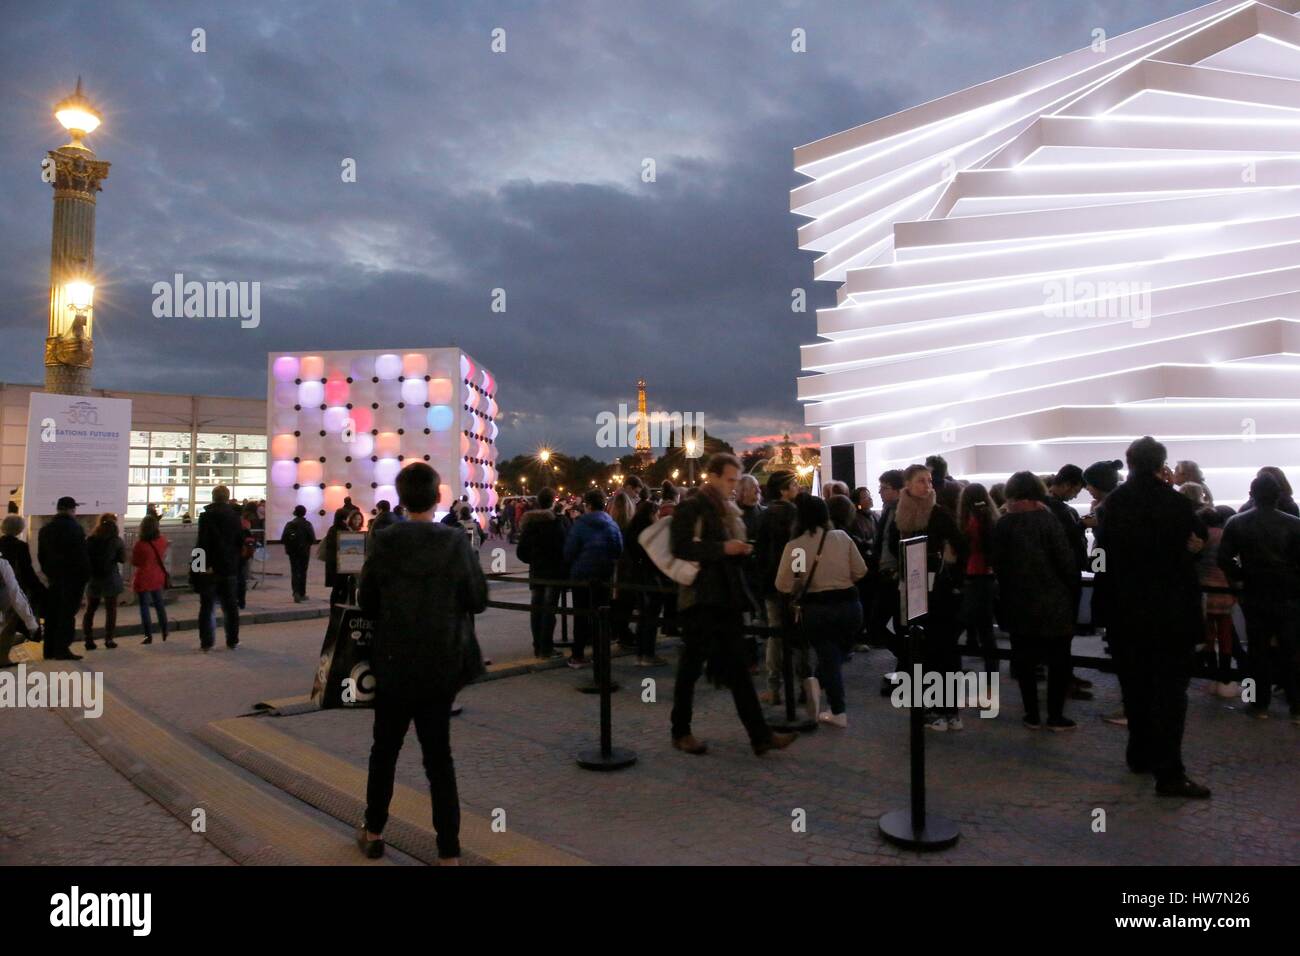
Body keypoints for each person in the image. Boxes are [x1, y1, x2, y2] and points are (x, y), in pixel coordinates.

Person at [357, 462, 487, 864]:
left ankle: (374, 831)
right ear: (436, 498)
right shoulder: (455, 542)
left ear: (401, 497)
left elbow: (367, 601)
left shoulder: (384, 540)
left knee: (385, 750)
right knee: (438, 758)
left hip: (393, 662)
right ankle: (448, 851)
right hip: (440, 663)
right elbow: (478, 599)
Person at [1096, 436, 1210, 798]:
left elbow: (1100, 558)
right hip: (1170, 612)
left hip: (1126, 612)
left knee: (1135, 686)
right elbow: (1191, 547)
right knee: (1171, 693)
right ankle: (1170, 772)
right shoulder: (1175, 503)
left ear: (1129, 463)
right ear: (1161, 463)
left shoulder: (1113, 504)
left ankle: (1139, 752)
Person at [669, 453, 796, 756]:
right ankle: (681, 730)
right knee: (691, 667)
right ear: (711, 476)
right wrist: (725, 547)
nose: (734, 486)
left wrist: (739, 551)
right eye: (729, 480)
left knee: (736, 669)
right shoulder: (692, 506)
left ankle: (759, 735)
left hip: (724, 598)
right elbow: (680, 546)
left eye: (737, 480)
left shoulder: (727, 509)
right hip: (701, 599)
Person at [993, 472, 1078, 730]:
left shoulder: (1004, 524)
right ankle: (1055, 715)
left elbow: (998, 564)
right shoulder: (1048, 521)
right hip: (1054, 602)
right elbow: (1065, 562)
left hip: (1018, 602)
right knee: (1058, 661)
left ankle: (1031, 714)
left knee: (1025, 662)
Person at [890, 464, 968, 731]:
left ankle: (949, 709)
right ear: (908, 485)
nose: (927, 486)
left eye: (930, 481)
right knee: (921, 649)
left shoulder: (938, 513)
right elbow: (893, 548)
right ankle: (930, 707)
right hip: (913, 591)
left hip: (940, 592)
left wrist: (954, 575)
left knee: (943, 648)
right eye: (921, 481)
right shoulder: (899, 515)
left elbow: (960, 543)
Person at [1217, 474, 1300, 723]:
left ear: (1252, 494)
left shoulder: (1237, 522)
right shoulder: (1294, 524)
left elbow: (1225, 558)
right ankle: (1297, 707)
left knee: (1257, 651)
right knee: (1292, 651)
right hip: (1288, 595)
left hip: (1254, 593)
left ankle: (1258, 703)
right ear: (1278, 496)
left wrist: (1240, 578)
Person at [778, 493, 866, 727]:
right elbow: (860, 570)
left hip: (818, 610)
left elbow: (786, 584)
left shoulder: (796, 547)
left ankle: (838, 710)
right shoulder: (841, 537)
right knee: (834, 655)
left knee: (829, 657)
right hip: (850, 607)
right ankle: (817, 684)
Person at [754, 470, 802, 705]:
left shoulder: (765, 516)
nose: (798, 487)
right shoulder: (797, 515)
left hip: (773, 583)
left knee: (775, 635)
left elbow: (760, 553)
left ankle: (774, 688)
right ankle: (804, 685)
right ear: (783, 490)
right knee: (800, 634)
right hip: (796, 583)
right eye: (794, 484)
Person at [563, 489, 623, 668]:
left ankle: (578, 655)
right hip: (604, 575)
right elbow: (618, 549)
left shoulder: (580, 524)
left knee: (581, 616)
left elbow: (569, 551)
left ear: (588, 506)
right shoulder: (611, 524)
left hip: (581, 575)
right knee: (601, 616)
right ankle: (600, 654)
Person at [517, 487, 567, 659]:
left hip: (537, 571)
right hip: (554, 572)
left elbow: (521, 551)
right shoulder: (557, 524)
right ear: (553, 501)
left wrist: (533, 559)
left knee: (536, 609)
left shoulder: (530, 524)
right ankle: (546, 646)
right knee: (549, 610)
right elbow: (564, 547)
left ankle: (538, 645)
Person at [37, 496, 89, 661]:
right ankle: (62, 649)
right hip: (72, 579)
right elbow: (81, 557)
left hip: (54, 578)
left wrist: (50, 573)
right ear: (72, 509)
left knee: (52, 613)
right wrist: (84, 578)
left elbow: (41, 556)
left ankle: (49, 649)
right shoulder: (76, 529)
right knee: (67, 614)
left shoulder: (46, 529)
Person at [1197, 505, 1240, 699]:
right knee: (1225, 635)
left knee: (1209, 635)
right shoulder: (1224, 536)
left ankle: (1212, 676)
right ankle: (1225, 678)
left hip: (1204, 591)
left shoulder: (1199, 537)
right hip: (1224, 590)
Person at [958, 482, 1000, 674]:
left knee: (964, 623)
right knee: (987, 631)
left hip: (971, 575)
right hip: (987, 575)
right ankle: (992, 673)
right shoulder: (991, 518)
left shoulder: (967, 520)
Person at [195, 484, 243, 651]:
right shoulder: (235, 517)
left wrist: (198, 568)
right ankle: (232, 640)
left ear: (213, 497)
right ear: (227, 497)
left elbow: (201, 545)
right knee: (230, 606)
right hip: (229, 567)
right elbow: (239, 543)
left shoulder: (206, 517)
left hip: (209, 568)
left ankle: (207, 642)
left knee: (207, 606)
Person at [869, 470, 905, 681]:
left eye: (885, 488)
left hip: (896, 575)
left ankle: (905, 664)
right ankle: (906, 658)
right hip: (885, 574)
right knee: (877, 625)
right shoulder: (887, 510)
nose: (880, 492)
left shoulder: (903, 511)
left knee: (895, 626)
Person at [83, 513, 126, 651]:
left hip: (94, 578)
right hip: (110, 578)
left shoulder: (90, 540)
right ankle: (109, 638)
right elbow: (123, 559)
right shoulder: (116, 541)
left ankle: (88, 639)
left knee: (90, 609)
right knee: (111, 610)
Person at [0, 515, 46, 640]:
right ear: (19, 529)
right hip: (15, 587)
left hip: (4, 588)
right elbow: (27, 570)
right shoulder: (20, 546)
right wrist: (39, 588)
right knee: (12, 622)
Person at [131, 514, 170, 644]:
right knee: (159, 604)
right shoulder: (162, 540)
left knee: (144, 606)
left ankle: (148, 635)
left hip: (143, 577)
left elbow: (135, 562)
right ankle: (164, 629)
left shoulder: (140, 544)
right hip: (158, 575)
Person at [0, 552, 41, 668]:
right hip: (6, 600)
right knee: (13, 614)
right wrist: (31, 623)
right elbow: (16, 594)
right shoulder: (2, 564)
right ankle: (1, 658)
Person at [280, 505, 317, 603]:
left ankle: (295, 592)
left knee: (295, 571)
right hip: (304, 552)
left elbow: (283, 538)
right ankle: (302, 593)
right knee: (303, 572)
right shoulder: (307, 524)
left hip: (293, 552)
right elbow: (313, 539)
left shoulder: (290, 524)